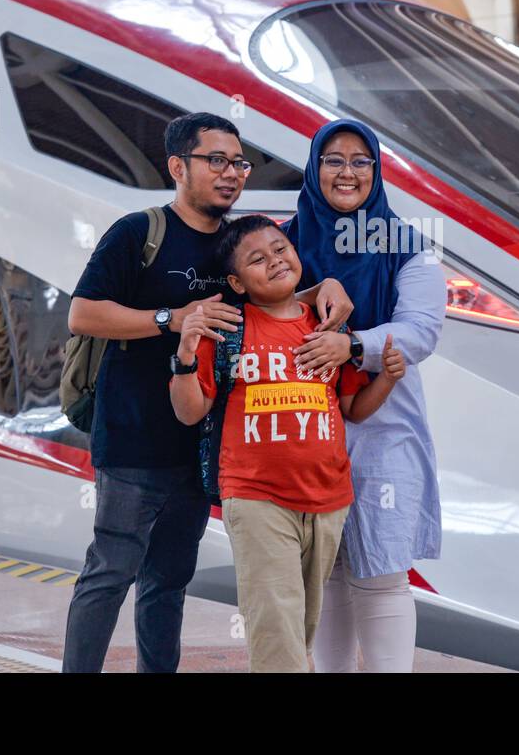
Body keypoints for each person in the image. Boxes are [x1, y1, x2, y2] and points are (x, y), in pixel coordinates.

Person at [62, 113, 351, 673]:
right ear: (178, 166)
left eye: (238, 162)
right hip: (132, 435)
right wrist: (174, 317)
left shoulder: (239, 245)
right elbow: (83, 314)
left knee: (168, 581)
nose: (231, 173)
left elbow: (274, 299)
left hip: (202, 442)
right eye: (214, 160)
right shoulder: (139, 232)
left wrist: (328, 286)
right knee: (111, 570)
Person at [169, 214, 406, 672]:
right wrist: (183, 356)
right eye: (257, 260)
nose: (275, 261)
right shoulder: (228, 330)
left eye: (281, 249)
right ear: (237, 281)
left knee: (300, 629)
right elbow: (189, 411)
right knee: (275, 629)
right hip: (257, 497)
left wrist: (390, 379)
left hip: (328, 499)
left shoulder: (327, 327)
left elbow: (353, 409)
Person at [285, 119, 447, 673]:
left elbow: (420, 331)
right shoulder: (283, 243)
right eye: (333, 160)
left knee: (381, 570)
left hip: (384, 429)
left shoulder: (409, 248)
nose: (347, 172)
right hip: (301, 423)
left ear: (376, 172)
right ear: (314, 168)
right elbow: (255, 309)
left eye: (361, 161)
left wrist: (348, 345)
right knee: (326, 570)